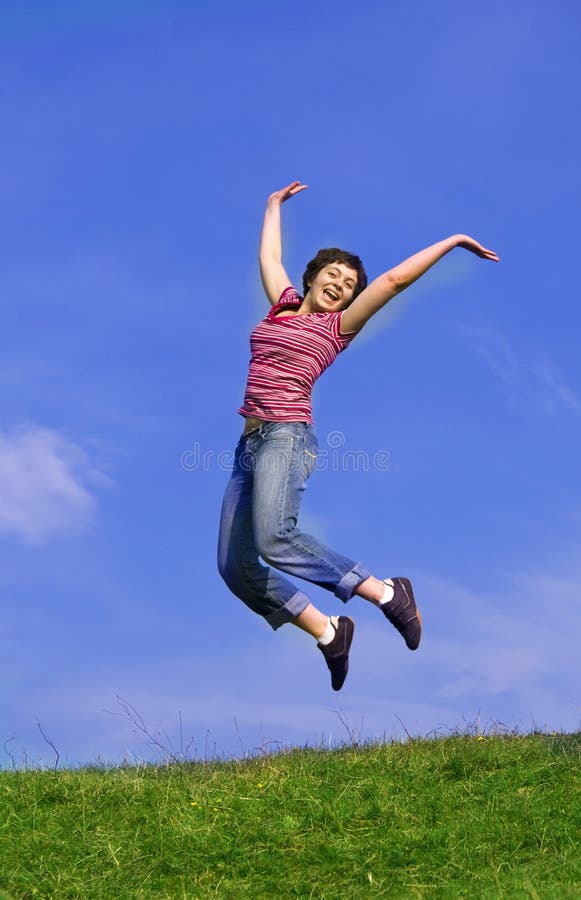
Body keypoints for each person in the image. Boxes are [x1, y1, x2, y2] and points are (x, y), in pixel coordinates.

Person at [217, 181, 499, 691]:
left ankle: (388, 592)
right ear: (313, 276)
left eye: (348, 285)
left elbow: (392, 282)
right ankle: (327, 632)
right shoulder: (279, 306)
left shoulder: (336, 329)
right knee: (234, 566)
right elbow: (270, 253)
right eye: (333, 275)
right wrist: (272, 205)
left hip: (286, 437)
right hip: (248, 447)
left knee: (274, 539)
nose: (340, 286)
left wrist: (453, 240)